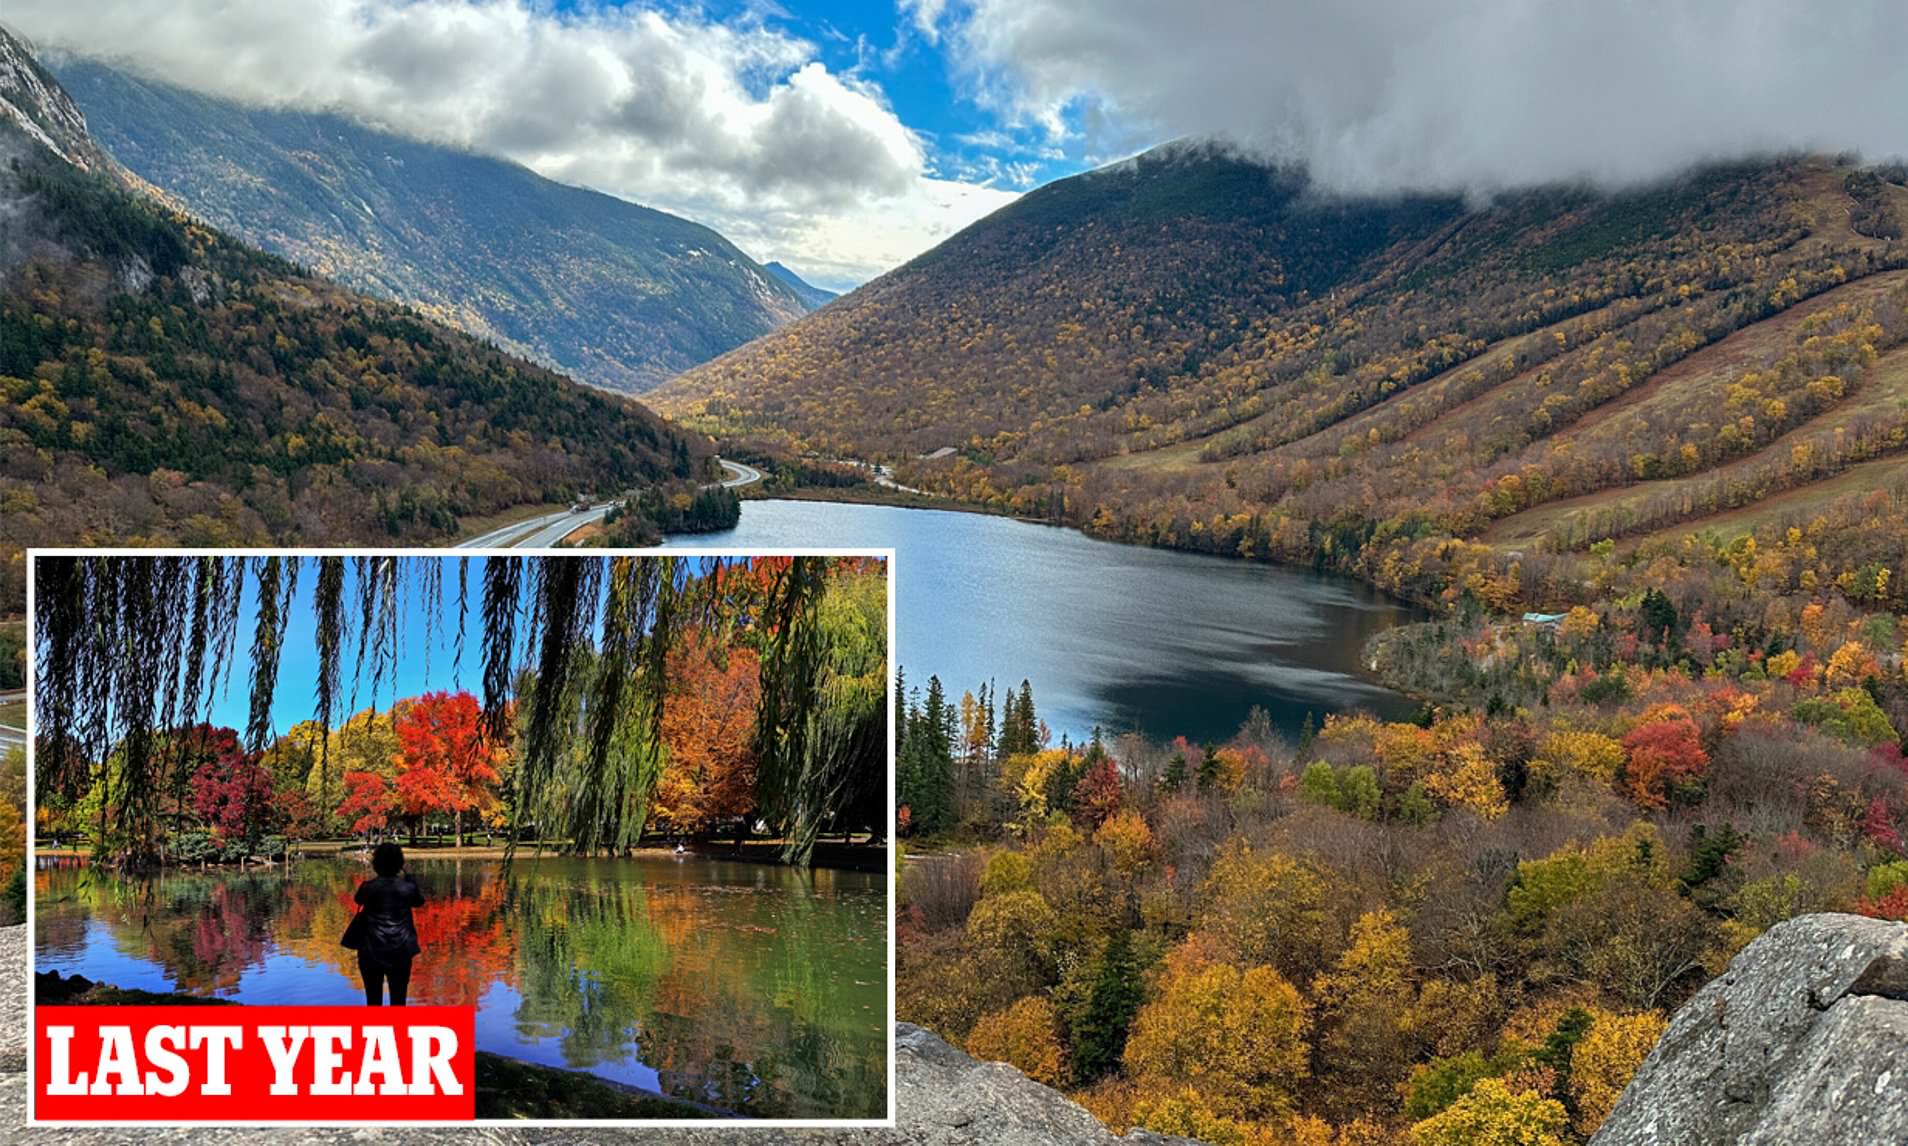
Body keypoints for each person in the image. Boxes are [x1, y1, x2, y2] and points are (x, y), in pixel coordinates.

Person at [352, 842, 424, 1006]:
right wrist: (411, 881)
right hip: (401, 950)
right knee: (399, 1001)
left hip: (371, 950)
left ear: (376, 864)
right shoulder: (407, 888)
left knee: (373, 1001)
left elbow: (358, 900)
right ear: (399, 863)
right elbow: (419, 902)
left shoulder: (367, 888)